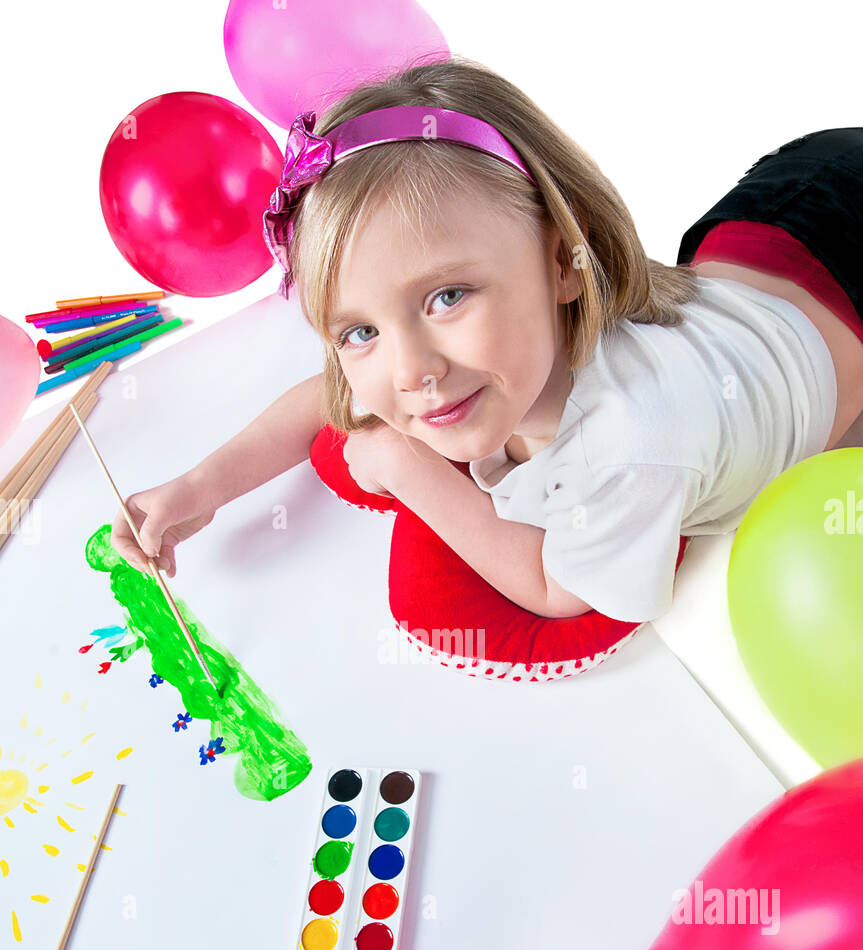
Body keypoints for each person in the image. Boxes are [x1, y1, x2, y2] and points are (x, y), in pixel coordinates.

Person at [111, 57, 863, 623]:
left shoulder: (631, 446)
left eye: (447, 296)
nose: (412, 370)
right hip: (773, 235)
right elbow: (324, 397)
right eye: (361, 330)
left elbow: (556, 589)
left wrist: (405, 467)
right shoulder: (458, 366)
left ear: (565, 262)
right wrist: (197, 490)